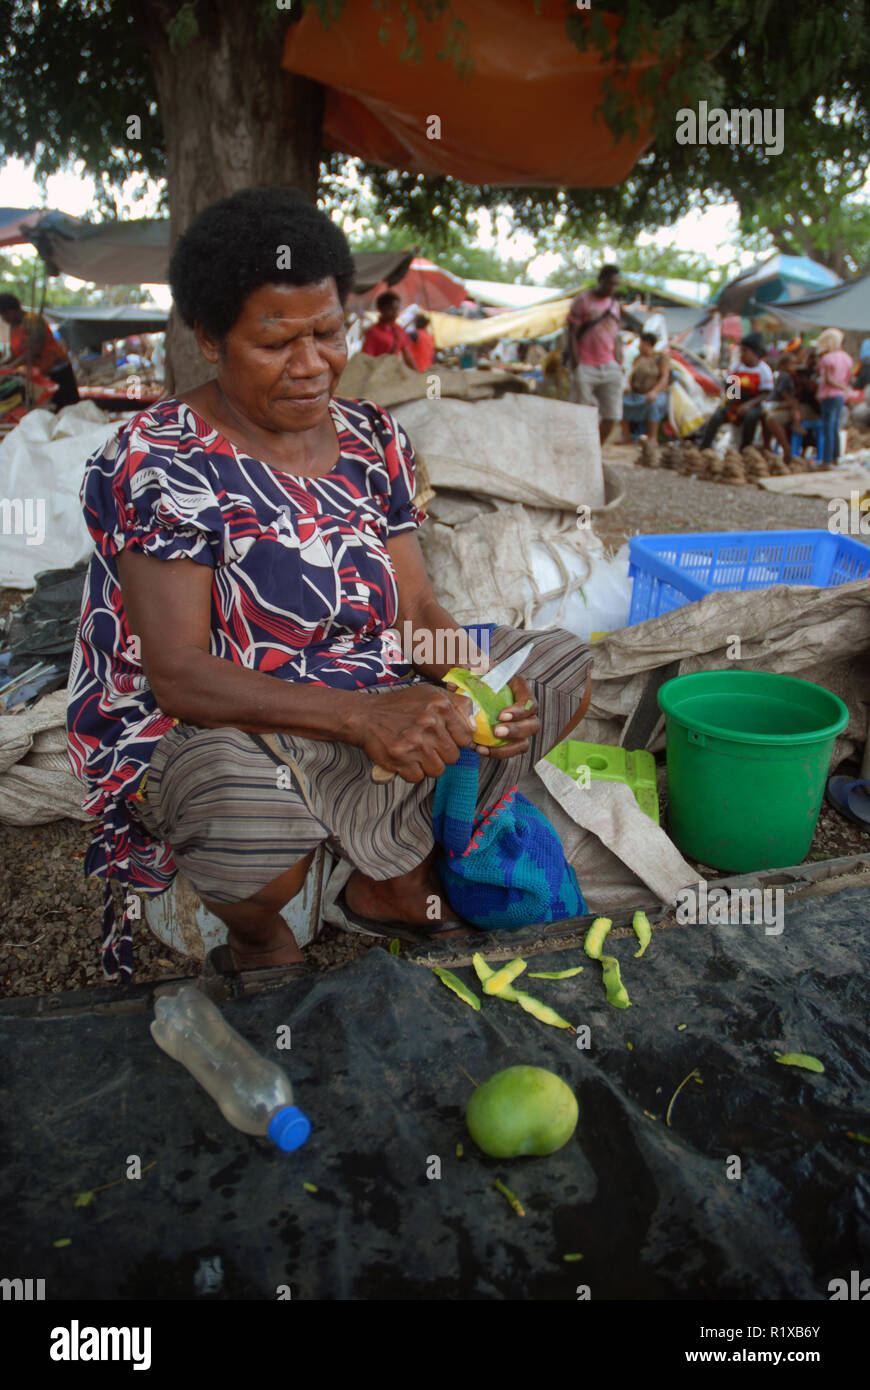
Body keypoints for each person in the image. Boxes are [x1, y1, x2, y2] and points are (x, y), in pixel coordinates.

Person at [66, 187, 593, 981]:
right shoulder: (160, 459)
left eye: (328, 332)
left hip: (360, 682)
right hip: (223, 715)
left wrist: (471, 680)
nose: (311, 365)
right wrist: (361, 715)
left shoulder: (373, 437)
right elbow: (176, 672)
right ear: (209, 338)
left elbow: (413, 606)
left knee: (556, 670)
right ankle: (257, 937)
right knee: (247, 827)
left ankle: (389, 880)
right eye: (276, 343)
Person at [567, 264, 623, 444]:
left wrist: (618, 361)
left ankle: (595, 448)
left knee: (612, 415)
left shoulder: (614, 305)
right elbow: (572, 334)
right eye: (609, 283)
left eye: (615, 284)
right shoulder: (582, 301)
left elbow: (616, 334)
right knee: (580, 413)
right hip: (585, 364)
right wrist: (576, 363)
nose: (612, 288)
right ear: (600, 281)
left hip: (609, 364)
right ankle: (580, 446)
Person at [0, 293, 80, 408]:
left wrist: (11, 366)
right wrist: (4, 365)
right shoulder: (14, 327)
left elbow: (33, 350)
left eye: (5, 314)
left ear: (13, 310)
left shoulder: (32, 320)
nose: (4, 319)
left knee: (67, 406)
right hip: (41, 373)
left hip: (57, 370)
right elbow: (14, 354)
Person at [699, 332, 773, 450]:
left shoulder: (764, 370)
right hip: (736, 401)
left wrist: (748, 405)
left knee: (751, 417)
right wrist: (727, 402)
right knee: (717, 416)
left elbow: (765, 393)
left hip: (754, 404)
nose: (741, 354)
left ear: (754, 353)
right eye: (741, 351)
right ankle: (704, 447)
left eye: (745, 351)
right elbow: (731, 390)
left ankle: (745, 449)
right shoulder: (736, 367)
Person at [621, 332, 671, 441]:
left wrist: (654, 392)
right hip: (637, 393)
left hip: (655, 393)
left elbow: (664, 378)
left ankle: (653, 437)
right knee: (622, 403)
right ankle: (626, 436)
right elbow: (630, 375)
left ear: (647, 344)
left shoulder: (660, 358)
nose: (639, 346)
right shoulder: (637, 358)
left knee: (652, 404)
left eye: (641, 343)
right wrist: (628, 386)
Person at [814, 327, 853, 466]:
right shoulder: (847, 358)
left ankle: (827, 460)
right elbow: (848, 378)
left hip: (829, 396)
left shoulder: (826, 358)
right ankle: (835, 458)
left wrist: (838, 386)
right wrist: (844, 388)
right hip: (840, 396)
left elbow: (827, 379)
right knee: (835, 427)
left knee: (828, 428)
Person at [362, 290, 417, 369]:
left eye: (396, 309)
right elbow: (366, 360)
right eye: (391, 309)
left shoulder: (399, 330)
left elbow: (408, 358)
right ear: (382, 310)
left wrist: (419, 376)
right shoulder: (373, 332)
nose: (395, 313)